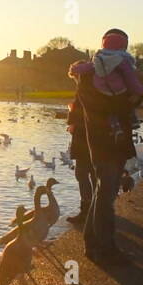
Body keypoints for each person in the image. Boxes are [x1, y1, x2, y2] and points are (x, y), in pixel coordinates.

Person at [70, 28, 143, 266]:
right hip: (105, 142)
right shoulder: (90, 78)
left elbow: (133, 98)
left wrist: (131, 99)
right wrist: (128, 101)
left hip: (112, 141)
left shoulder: (99, 74)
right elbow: (106, 107)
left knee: (104, 193)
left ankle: (93, 244)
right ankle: (105, 248)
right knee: (106, 195)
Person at [65, 95, 94, 226]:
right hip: (94, 140)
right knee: (93, 175)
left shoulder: (85, 89)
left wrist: (71, 111)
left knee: (81, 174)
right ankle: (95, 210)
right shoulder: (95, 86)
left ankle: (86, 211)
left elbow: (75, 121)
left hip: (84, 140)